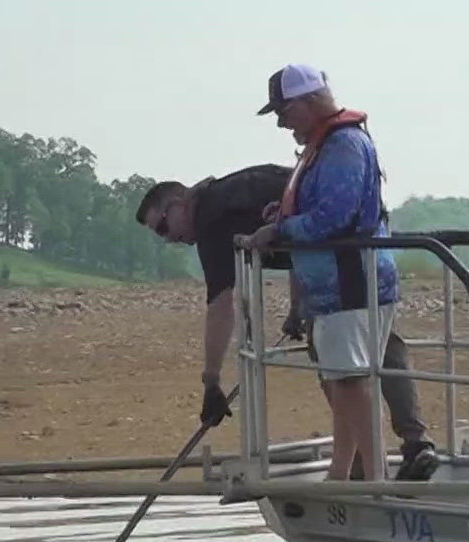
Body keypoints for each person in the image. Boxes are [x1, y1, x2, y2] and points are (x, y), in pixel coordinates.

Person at [136, 166, 438, 480]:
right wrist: (296, 306)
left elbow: (221, 305)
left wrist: (211, 382)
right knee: (375, 346)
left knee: (343, 370)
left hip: (343, 257)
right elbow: (297, 240)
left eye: (163, 227)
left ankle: (371, 468)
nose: (170, 238)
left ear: (180, 201)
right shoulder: (232, 196)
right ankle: (407, 445)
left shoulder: (211, 216)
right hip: (368, 240)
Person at [236, 65, 403, 482]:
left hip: (349, 281)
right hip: (341, 285)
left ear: (308, 102)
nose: (280, 122)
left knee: (349, 382)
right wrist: (286, 214)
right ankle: (342, 471)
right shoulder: (327, 145)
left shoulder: (343, 145)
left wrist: (278, 230)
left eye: (283, 111)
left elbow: (335, 216)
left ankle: (375, 477)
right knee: (342, 382)